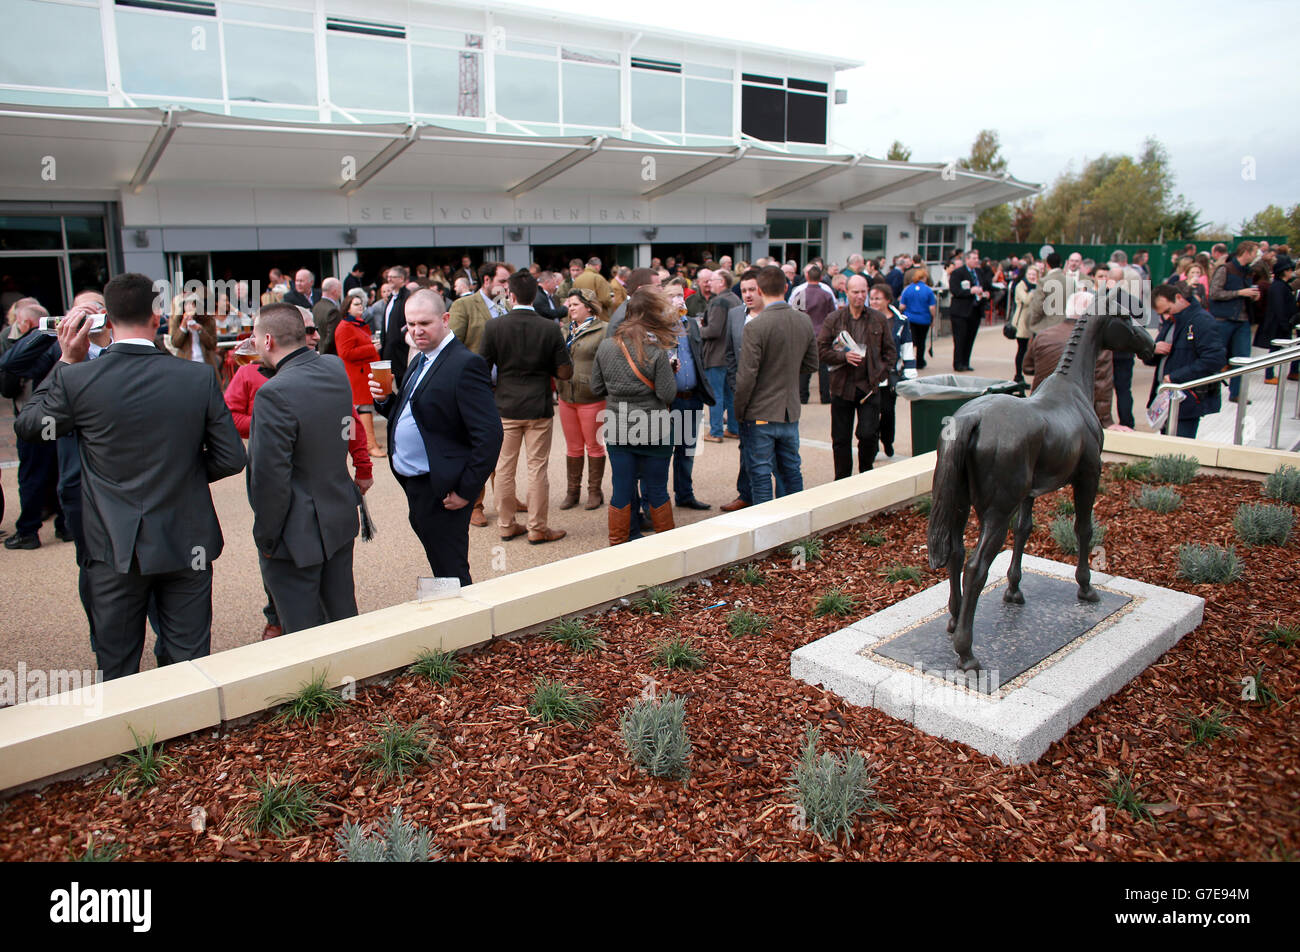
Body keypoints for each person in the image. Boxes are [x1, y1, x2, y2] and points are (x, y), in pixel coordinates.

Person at [15, 273, 246, 680]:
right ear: (157, 316)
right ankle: (188, 736)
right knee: (189, 662)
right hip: (184, 536)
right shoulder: (195, 377)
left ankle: (129, 741)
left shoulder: (78, 378)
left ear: (107, 318)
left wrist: (67, 360)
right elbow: (230, 457)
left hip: (112, 543)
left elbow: (30, 425)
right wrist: (184, 473)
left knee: (117, 663)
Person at [371, 289, 502, 585]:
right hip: (416, 483)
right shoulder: (421, 359)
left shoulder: (465, 364)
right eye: (411, 324)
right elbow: (415, 415)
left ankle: (466, 627)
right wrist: (383, 400)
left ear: (445, 319)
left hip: (442, 489)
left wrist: (467, 491)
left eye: (424, 324)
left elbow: (490, 435)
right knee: (440, 560)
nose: (417, 331)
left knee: (450, 568)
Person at [245, 304, 361, 634]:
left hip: (295, 533)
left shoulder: (273, 394)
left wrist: (266, 539)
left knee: (302, 630)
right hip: (337, 514)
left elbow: (269, 478)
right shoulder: (333, 367)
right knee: (341, 616)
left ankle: (317, 687)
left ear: (267, 340)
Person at [478, 269, 573, 544]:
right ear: (535, 295)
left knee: (504, 468)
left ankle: (507, 525)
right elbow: (565, 372)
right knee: (537, 469)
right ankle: (537, 528)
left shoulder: (494, 327)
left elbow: (481, 368)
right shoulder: (548, 327)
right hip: (538, 405)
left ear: (511, 295)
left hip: (505, 405)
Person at [590, 288, 679, 545]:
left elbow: (596, 388)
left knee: (621, 489)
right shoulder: (656, 351)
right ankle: (665, 548)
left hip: (619, 427)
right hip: (654, 428)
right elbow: (667, 394)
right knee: (658, 489)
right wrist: (669, 373)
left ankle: (620, 543)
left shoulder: (606, 347)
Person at [734, 265, 819, 503]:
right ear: (786, 287)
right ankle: (795, 525)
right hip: (789, 410)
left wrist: (739, 411)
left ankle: (766, 531)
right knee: (791, 471)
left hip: (760, 411)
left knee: (760, 475)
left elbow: (747, 375)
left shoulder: (755, 326)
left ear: (759, 290)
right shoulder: (803, 321)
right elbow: (812, 363)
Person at [816, 276, 896, 478]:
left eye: (863, 292)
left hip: (869, 387)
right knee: (841, 439)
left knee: (868, 435)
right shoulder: (835, 319)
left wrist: (880, 374)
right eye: (855, 292)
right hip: (842, 387)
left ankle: (865, 475)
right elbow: (821, 350)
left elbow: (890, 353)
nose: (860, 296)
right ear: (847, 292)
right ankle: (842, 481)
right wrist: (843, 356)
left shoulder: (878, 319)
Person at [1023, 290, 1115, 427]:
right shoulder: (1097, 343)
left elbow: (1027, 368)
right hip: (1076, 414)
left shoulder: (1043, 336)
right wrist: (1106, 421)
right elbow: (1102, 385)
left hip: (1040, 409)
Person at [1146, 283, 1226, 439]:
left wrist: (1176, 377)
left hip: (1187, 397)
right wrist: (1152, 349)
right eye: (1162, 314)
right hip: (1167, 397)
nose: (1166, 316)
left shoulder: (1202, 321)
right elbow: (1151, 359)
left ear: (1179, 298)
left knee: (1179, 446)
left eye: (1168, 311)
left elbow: (1215, 360)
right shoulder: (1172, 321)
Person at [663, 282, 715, 510]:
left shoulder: (691, 324)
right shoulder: (657, 328)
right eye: (672, 296)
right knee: (663, 452)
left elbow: (698, 357)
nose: (678, 300)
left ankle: (685, 495)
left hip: (691, 397)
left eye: (680, 295)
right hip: (668, 400)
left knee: (687, 450)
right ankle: (658, 501)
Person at [557, 287, 608, 511]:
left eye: (575, 304)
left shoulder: (604, 330)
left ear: (588, 306)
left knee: (594, 445)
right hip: (566, 395)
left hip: (592, 397)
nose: (570, 308)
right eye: (569, 305)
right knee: (573, 447)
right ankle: (572, 491)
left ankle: (594, 491)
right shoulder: (565, 330)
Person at [334, 290, 385, 457]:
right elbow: (345, 353)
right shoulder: (345, 327)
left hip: (363, 372)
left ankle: (369, 443)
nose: (360, 307)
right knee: (363, 408)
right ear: (347, 308)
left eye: (361, 304)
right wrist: (371, 348)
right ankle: (368, 445)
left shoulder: (357, 323)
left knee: (365, 408)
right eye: (356, 304)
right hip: (357, 374)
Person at [1208, 241, 1260, 402]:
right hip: (1224, 319)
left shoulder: (1249, 272)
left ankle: (1237, 393)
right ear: (1245, 252)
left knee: (1243, 357)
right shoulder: (1225, 269)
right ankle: (1209, 389)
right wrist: (1239, 292)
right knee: (1216, 356)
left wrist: (1253, 296)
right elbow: (1214, 293)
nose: (1256, 256)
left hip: (1242, 319)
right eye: (1254, 253)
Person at [871, 284, 915, 458]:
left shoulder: (900, 321)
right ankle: (872, 446)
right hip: (870, 376)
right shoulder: (865, 318)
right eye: (872, 298)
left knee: (888, 412)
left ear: (888, 300)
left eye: (878, 298)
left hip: (890, 375)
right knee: (871, 413)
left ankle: (887, 440)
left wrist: (910, 371)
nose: (873, 302)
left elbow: (907, 346)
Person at [699, 269, 740, 442]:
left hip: (716, 355)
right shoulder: (735, 299)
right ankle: (733, 428)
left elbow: (713, 330)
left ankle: (715, 431)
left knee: (715, 395)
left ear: (722, 282)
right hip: (731, 355)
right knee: (729, 395)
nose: (709, 283)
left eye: (713, 280)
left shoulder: (719, 302)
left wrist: (697, 330)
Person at [788, 264, 837, 405]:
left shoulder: (800, 293)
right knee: (823, 367)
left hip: (805, 333)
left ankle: (802, 396)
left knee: (804, 367)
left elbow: (795, 315)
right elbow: (832, 315)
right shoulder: (826, 294)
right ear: (821, 277)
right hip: (823, 333)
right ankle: (825, 396)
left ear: (807, 276)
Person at [1260, 259, 1298, 385]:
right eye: (1289, 270)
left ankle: (1271, 374)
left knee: (1276, 349)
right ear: (1284, 272)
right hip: (1277, 324)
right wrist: (1285, 324)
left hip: (1280, 323)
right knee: (1274, 350)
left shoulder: (1281, 285)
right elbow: (1279, 306)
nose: (1291, 272)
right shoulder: (1278, 287)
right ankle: (1269, 375)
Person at [947, 250, 986, 372]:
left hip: (975, 310)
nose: (976, 260)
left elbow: (985, 285)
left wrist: (985, 293)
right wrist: (970, 291)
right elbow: (955, 291)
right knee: (960, 338)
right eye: (973, 258)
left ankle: (966, 362)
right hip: (960, 312)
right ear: (967, 259)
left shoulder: (979, 272)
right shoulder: (958, 273)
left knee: (970, 337)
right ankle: (958, 363)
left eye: (977, 258)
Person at [165, 293, 222, 375]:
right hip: (186, 363)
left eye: (192, 304)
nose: (189, 307)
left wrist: (200, 330)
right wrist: (183, 327)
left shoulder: (208, 320)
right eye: (186, 304)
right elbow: (175, 343)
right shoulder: (178, 320)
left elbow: (212, 345)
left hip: (205, 362)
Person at [377, 265, 412, 384]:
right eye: (388, 277)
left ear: (401, 279)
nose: (389, 279)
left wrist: (400, 337)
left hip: (402, 353)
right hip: (389, 351)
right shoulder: (392, 298)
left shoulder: (408, 297)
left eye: (392, 277)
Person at [898, 266, 936, 370]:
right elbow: (932, 307)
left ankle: (908, 360)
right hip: (924, 319)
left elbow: (902, 306)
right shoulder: (928, 290)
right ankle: (919, 361)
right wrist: (933, 318)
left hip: (910, 318)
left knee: (910, 340)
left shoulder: (907, 289)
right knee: (921, 341)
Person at [1011, 264, 1039, 383]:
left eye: (1034, 275)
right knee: (1022, 349)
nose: (1032, 277)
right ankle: (1018, 376)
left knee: (1032, 349)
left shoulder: (1038, 286)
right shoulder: (1021, 286)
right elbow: (1026, 300)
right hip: (1022, 321)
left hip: (1034, 322)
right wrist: (1034, 291)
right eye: (1029, 274)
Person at [313, 277, 344, 355]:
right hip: (330, 355)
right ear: (334, 291)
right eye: (340, 290)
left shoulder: (316, 306)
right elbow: (331, 338)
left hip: (319, 351)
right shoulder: (333, 310)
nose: (341, 293)